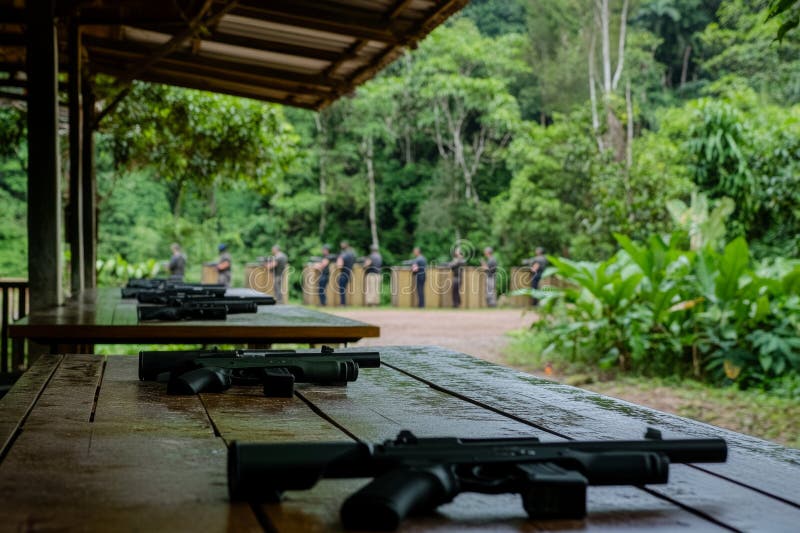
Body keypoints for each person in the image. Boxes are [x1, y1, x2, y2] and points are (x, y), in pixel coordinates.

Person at [336, 241, 356, 306]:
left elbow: (339, 265)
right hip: (349, 273)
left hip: (343, 273)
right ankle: (344, 303)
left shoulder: (343, 254)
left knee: (342, 289)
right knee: (344, 289)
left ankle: (342, 303)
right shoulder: (352, 254)